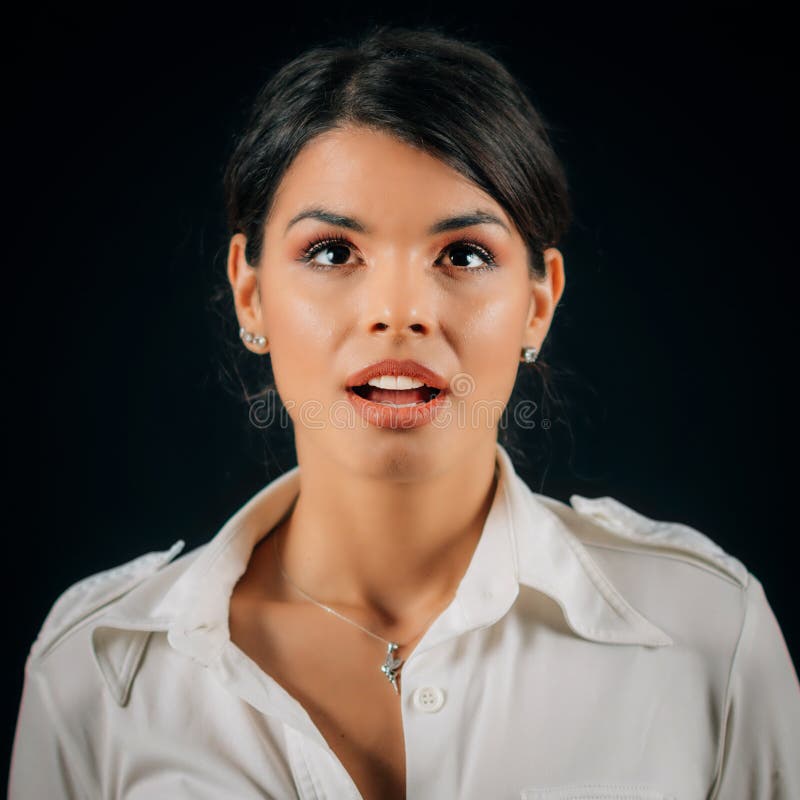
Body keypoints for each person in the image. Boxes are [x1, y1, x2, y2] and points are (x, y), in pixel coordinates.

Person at [9, 23, 800, 800]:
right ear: (250, 293)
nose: (399, 312)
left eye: (463, 255)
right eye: (332, 252)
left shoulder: (710, 638)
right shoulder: (94, 676)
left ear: (538, 302)